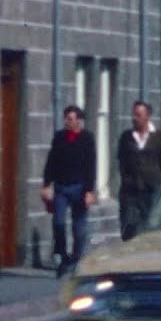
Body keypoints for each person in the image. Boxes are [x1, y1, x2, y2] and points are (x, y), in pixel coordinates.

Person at [42, 105, 97, 278]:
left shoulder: (87, 138)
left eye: (71, 118)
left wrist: (89, 190)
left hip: (79, 187)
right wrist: (46, 184)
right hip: (61, 187)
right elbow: (51, 161)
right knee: (58, 222)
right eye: (66, 118)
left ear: (79, 120)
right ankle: (62, 255)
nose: (68, 121)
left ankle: (76, 259)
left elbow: (91, 165)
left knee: (78, 227)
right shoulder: (59, 138)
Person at [116, 100, 161, 242]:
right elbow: (121, 160)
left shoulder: (158, 137)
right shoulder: (126, 137)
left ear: (147, 116)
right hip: (130, 191)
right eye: (133, 115)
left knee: (150, 225)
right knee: (129, 227)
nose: (135, 118)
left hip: (151, 190)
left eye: (139, 115)